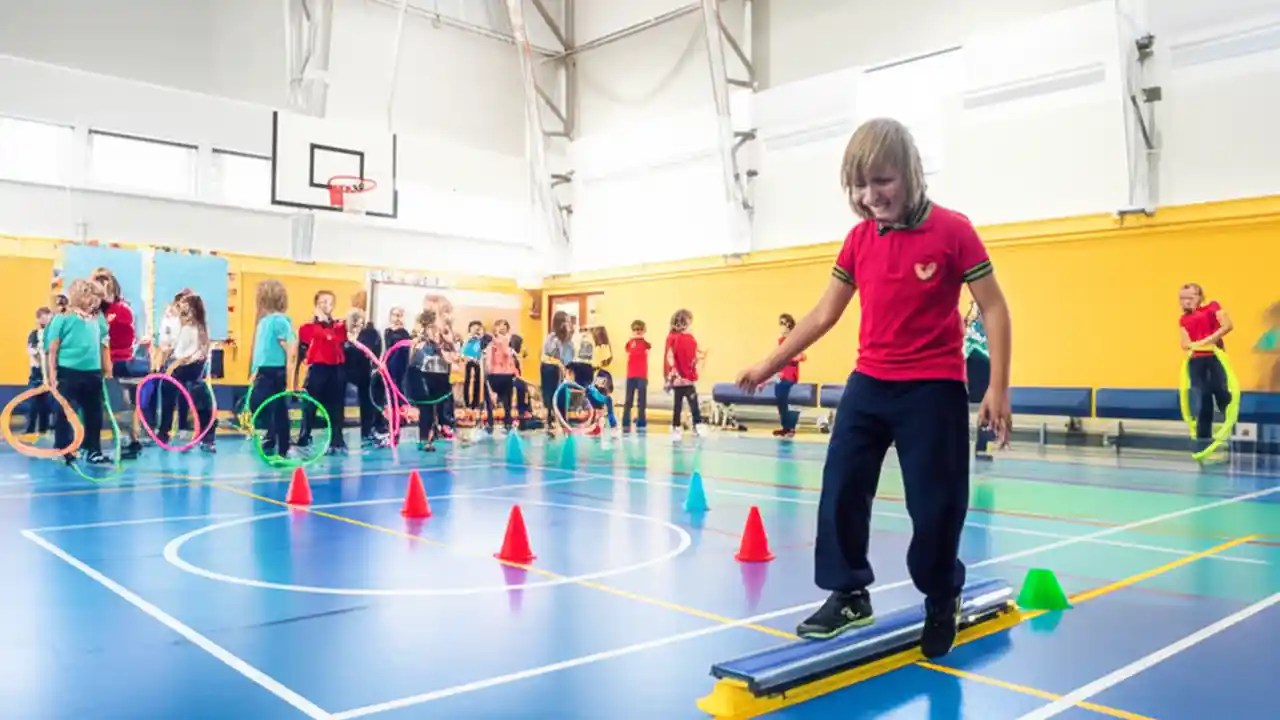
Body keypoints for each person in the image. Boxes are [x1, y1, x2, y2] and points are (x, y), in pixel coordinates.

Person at [734, 118, 1012, 658]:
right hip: (869, 383)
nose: (869, 196)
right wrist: (769, 363)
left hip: (933, 388)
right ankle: (849, 593)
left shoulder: (953, 231)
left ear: (911, 173)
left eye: (882, 181)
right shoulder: (859, 240)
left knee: (935, 507)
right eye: (858, 186)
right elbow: (823, 313)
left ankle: (941, 594)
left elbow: (995, 306)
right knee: (841, 485)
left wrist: (997, 387)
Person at [1178, 283, 1233, 447]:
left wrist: (1207, 341)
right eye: (1182, 298)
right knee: (1202, 400)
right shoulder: (1183, 319)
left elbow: (1227, 325)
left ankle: (1233, 432)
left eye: (1190, 297)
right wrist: (1198, 345)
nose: (1186, 301)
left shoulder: (1213, 307)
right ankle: (1203, 442)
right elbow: (1185, 343)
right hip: (1197, 361)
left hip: (1215, 358)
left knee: (1222, 395)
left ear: (1200, 297)